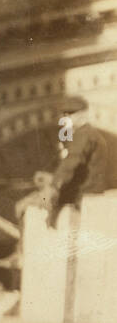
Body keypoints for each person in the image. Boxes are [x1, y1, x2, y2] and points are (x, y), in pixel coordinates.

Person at [48, 95, 110, 228]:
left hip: (84, 196)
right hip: (91, 194)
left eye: (71, 113)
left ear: (83, 114)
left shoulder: (83, 134)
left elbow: (72, 161)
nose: (66, 117)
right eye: (65, 113)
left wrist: (53, 185)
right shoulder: (91, 133)